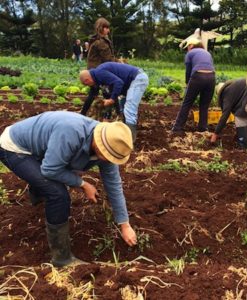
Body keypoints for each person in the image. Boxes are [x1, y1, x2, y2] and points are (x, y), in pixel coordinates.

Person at [0, 111, 137, 267]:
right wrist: (83, 184)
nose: (108, 160)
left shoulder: (110, 146)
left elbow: (113, 185)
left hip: (40, 150)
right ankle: (62, 259)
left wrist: (125, 225)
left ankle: (38, 195)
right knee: (58, 194)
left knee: (56, 178)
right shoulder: (71, 132)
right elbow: (50, 170)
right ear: (99, 143)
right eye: (107, 156)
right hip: (15, 147)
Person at [79, 62, 149, 143]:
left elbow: (118, 83)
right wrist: (81, 115)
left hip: (137, 78)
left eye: (87, 84)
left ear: (87, 81)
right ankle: (125, 133)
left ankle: (130, 141)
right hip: (130, 83)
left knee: (129, 109)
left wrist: (111, 99)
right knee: (123, 109)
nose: (89, 86)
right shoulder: (97, 78)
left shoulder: (99, 73)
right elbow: (91, 97)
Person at [172, 38, 215, 133]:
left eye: (187, 47)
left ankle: (177, 128)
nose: (187, 48)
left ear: (191, 46)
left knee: (187, 103)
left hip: (198, 76)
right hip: (211, 77)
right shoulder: (207, 53)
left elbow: (188, 70)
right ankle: (203, 128)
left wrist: (188, 83)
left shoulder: (190, 53)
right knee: (204, 105)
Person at [80, 17, 118, 117]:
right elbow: (108, 59)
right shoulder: (101, 42)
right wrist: (120, 64)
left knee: (94, 93)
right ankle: (112, 115)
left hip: (94, 70)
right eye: (106, 28)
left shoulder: (97, 40)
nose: (108, 30)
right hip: (98, 72)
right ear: (101, 28)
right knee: (108, 93)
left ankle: (83, 114)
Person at [210, 79, 247, 149]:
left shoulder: (226, 93)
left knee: (240, 118)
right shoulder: (234, 87)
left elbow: (225, 115)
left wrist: (215, 133)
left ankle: (243, 147)